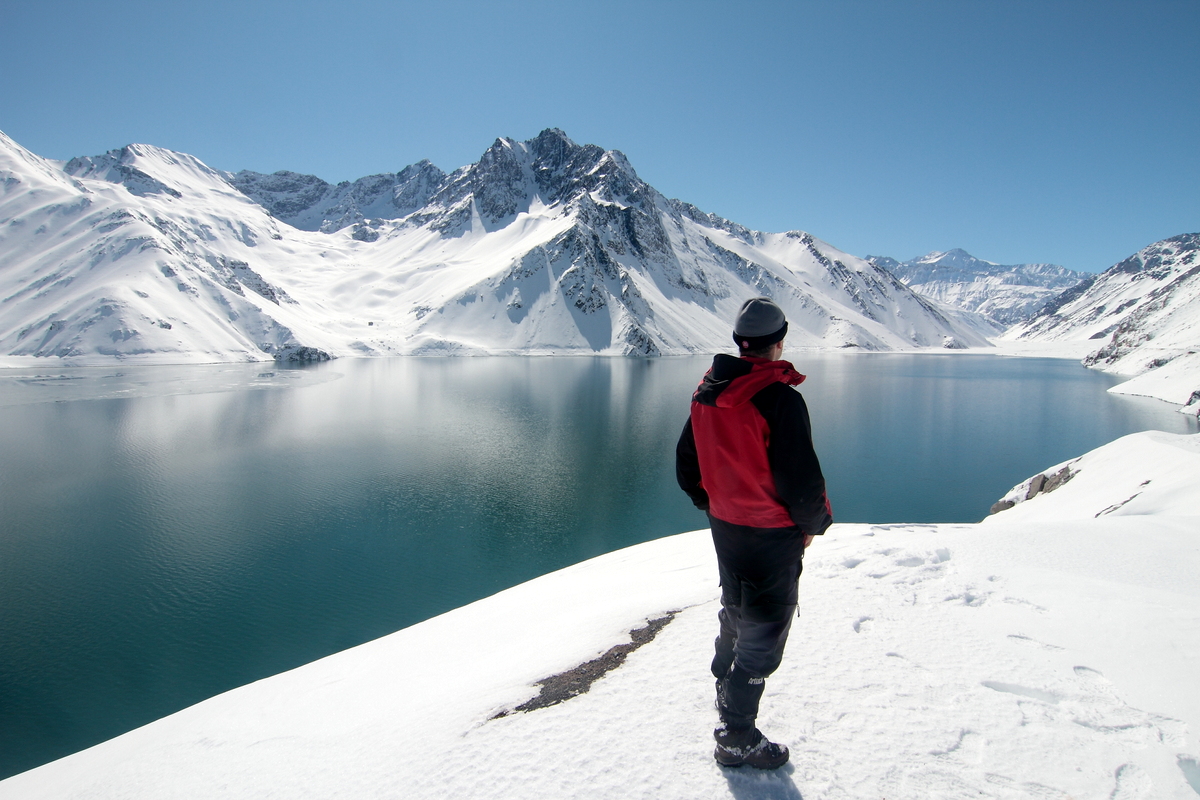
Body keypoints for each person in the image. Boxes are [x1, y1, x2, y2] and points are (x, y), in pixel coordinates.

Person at [675, 296, 833, 770]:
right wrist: (813, 526)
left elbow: (687, 465)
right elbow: (800, 481)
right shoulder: (780, 400)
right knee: (764, 633)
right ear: (779, 341)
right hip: (771, 534)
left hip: (727, 528)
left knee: (737, 604)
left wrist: (712, 504)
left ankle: (724, 680)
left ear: (739, 342)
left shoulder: (707, 392)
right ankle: (735, 737)